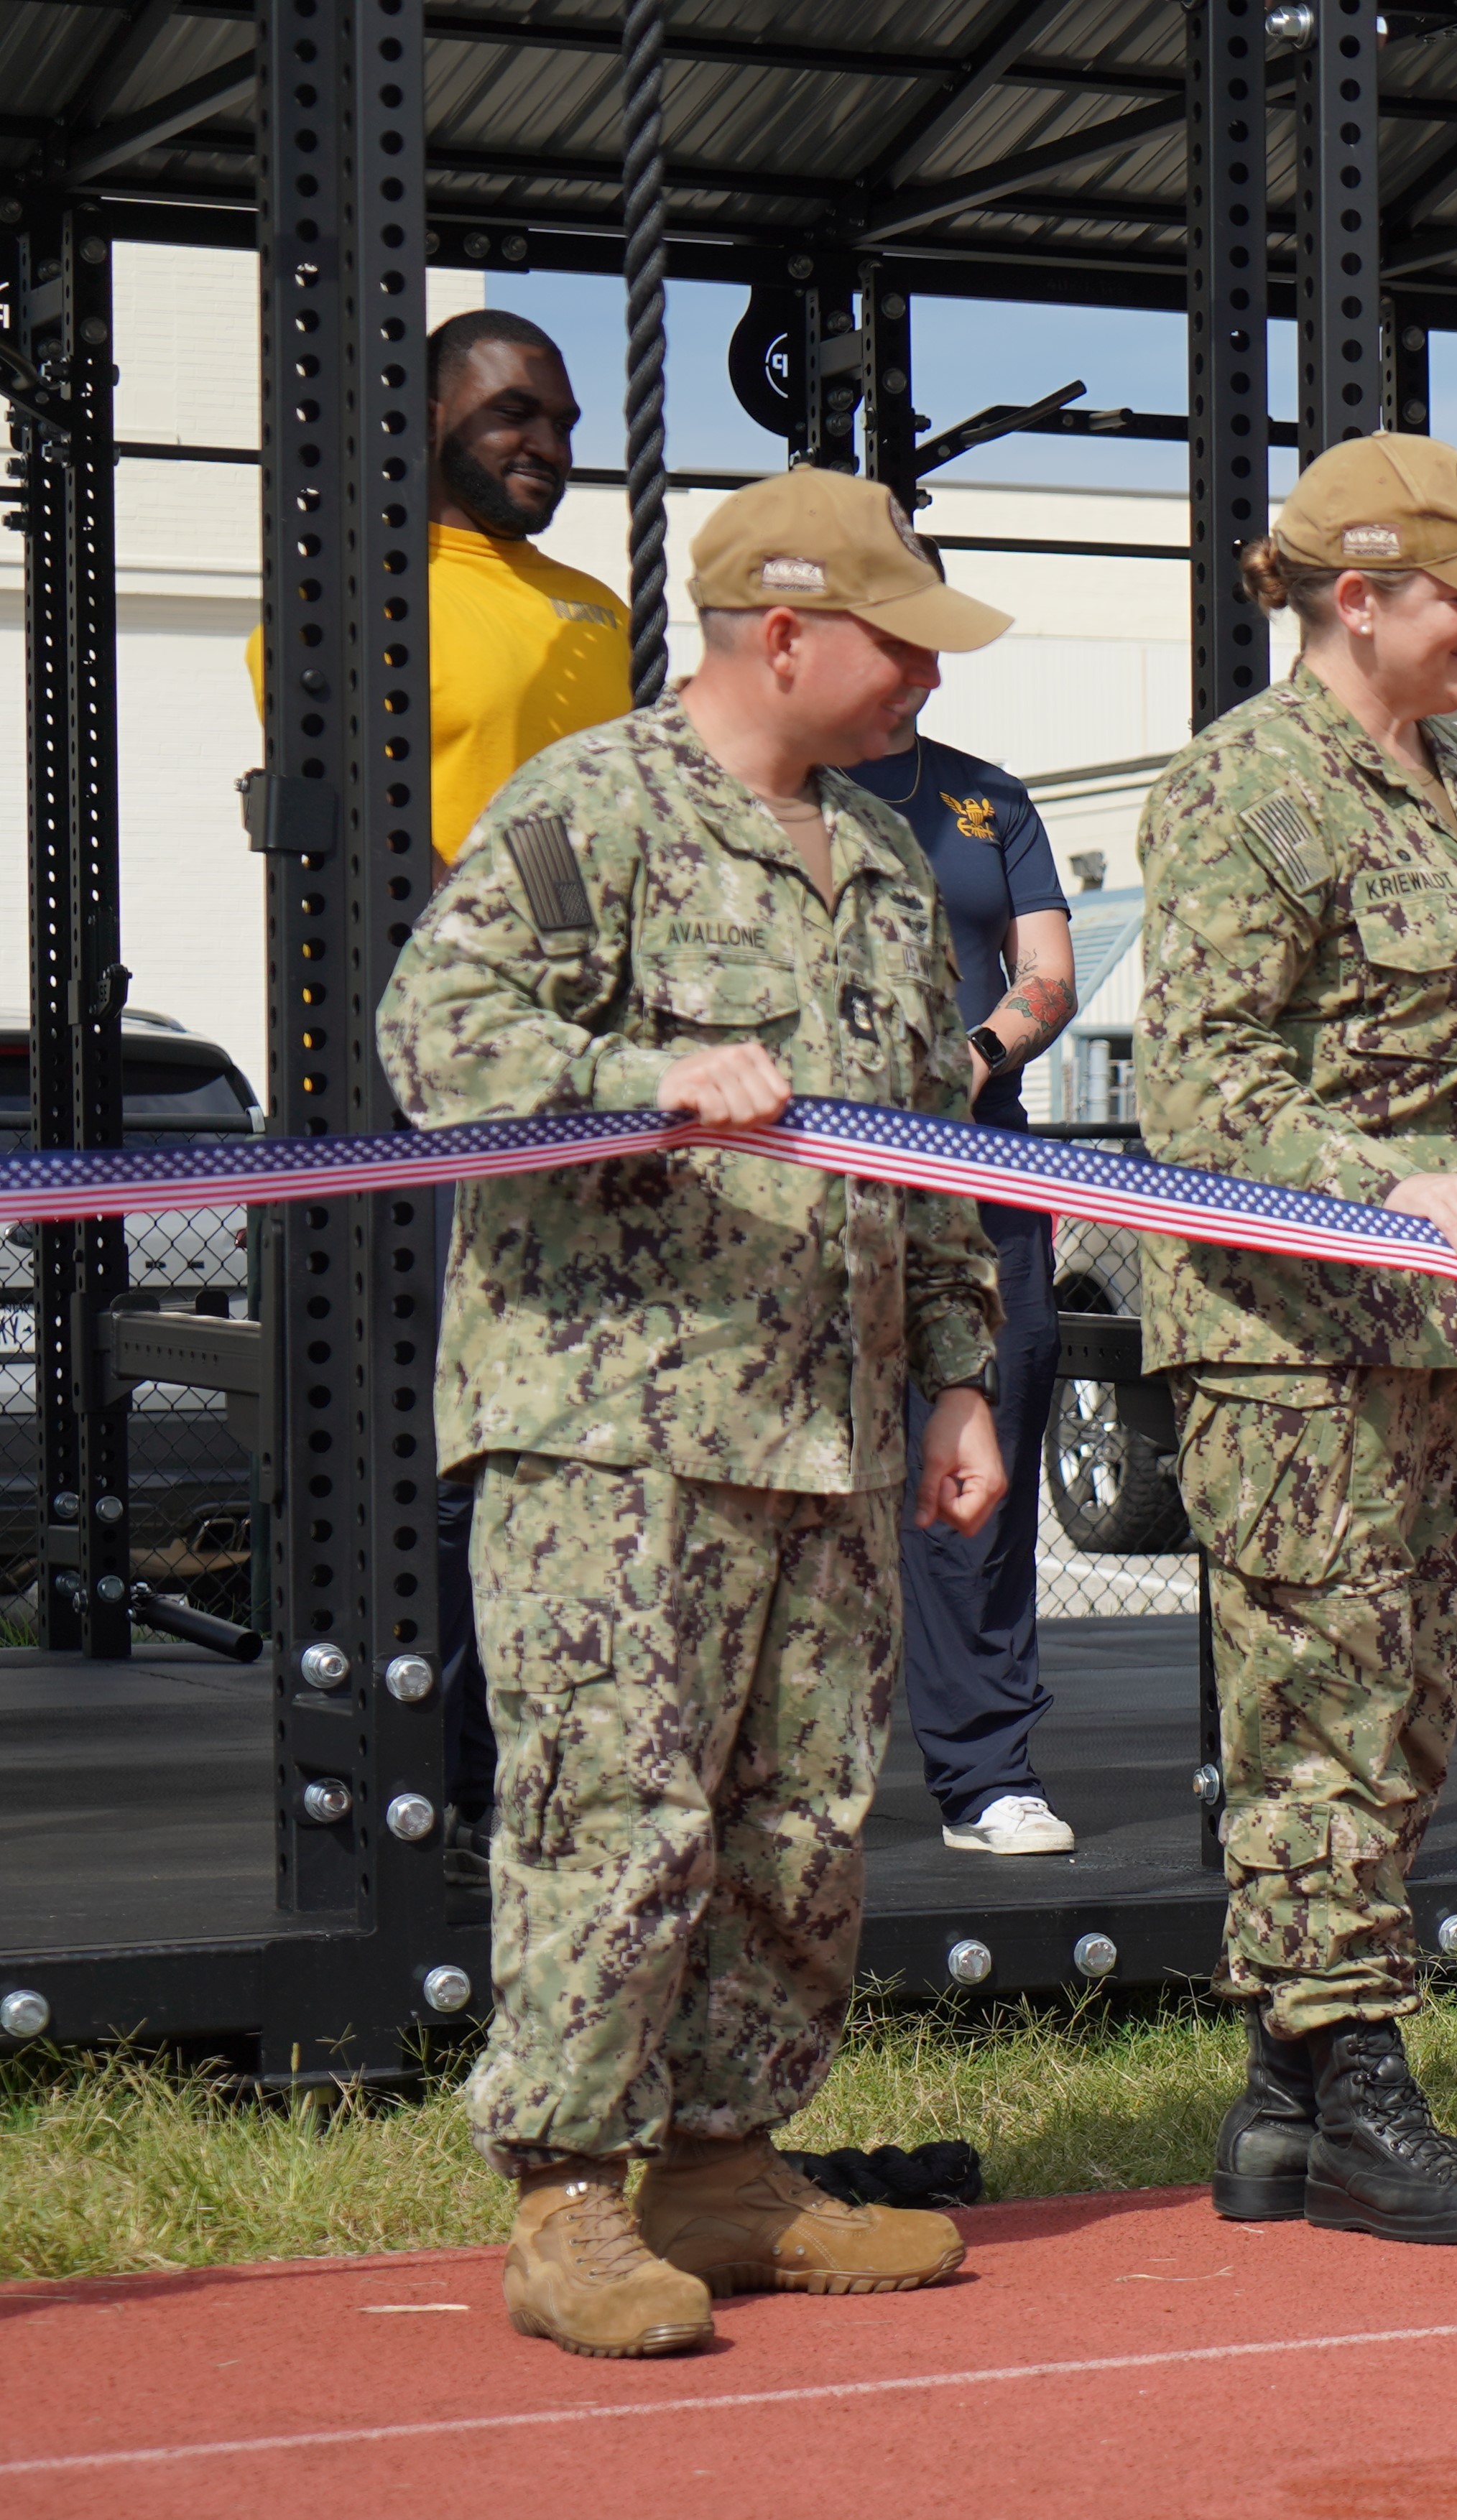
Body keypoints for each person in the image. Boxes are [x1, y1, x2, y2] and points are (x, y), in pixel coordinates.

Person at [374, 467, 1014, 2358]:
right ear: (786, 632)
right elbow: (432, 1043)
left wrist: (961, 1370)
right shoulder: (595, 809)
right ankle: (567, 2196)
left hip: (826, 1422)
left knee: (802, 1816)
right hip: (617, 1423)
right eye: (899, 645)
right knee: (615, 1809)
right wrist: (639, 1075)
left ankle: (727, 2165)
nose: (922, 681)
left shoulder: (885, 863)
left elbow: (927, 1148)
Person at [1134, 435, 1457, 2248]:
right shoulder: (1245, 789)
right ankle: (1355, 2072)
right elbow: (1201, 1083)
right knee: (1317, 1709)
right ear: (1357, 595)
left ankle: (1281, 2099)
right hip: (1291, 1341)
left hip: (1445, 1338)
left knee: (1399, 1715)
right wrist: (1387, 1186)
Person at [248, 305, 633, 1881]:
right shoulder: (345, 603)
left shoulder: (603, 613)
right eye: (507, 416)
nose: (541, 441)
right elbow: (365, 857)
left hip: (589, 1095)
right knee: (409, 1448)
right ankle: (414, 1786)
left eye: (557, 415)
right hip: (413, 1086)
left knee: (563, 1447)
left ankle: (530, 1782)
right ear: (421, 425)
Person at [861, 718, 1081, 1854]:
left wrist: (974, 1058)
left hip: (977, 1168)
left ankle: (987, 1776)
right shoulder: (758, 787)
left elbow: (1047, 973)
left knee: (977, 1478)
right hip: (806, 1179)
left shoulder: (984, 798)